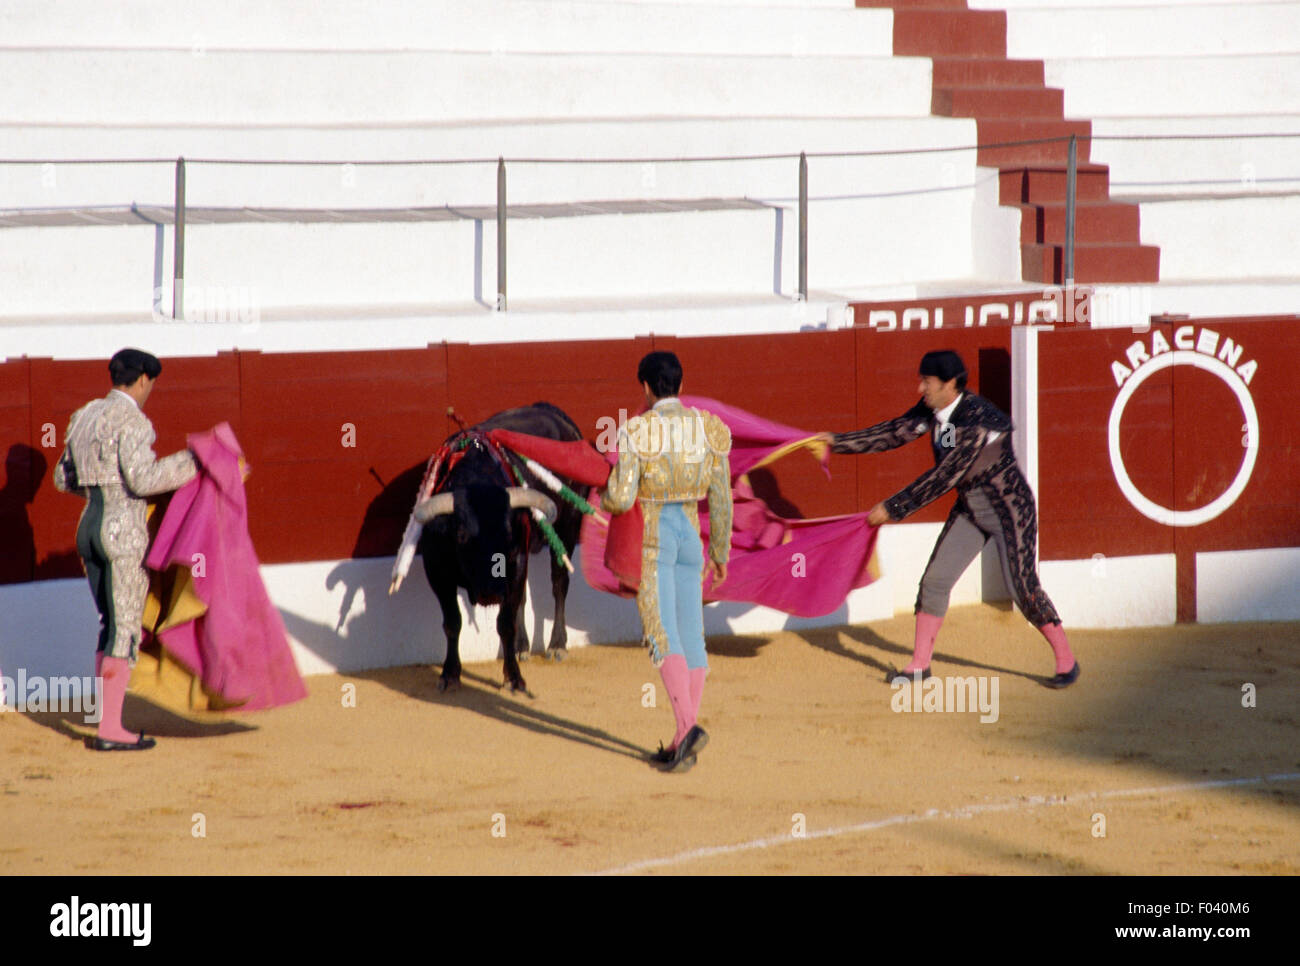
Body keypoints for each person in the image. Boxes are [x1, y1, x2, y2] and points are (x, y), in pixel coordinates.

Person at [824, 349, 1079, 687]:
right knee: (935, 581)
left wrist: (894, 507)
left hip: (1009, 508)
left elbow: (945, 476)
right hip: (972, 508)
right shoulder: (933, 411)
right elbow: (894, 433)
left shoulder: (976, 420)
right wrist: (836, 442)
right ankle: (919, 666)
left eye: (927, 382)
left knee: (1022, 588)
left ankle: (1066, 662)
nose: (920, 389)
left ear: (950, 384)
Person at [54, 348, 198, 750]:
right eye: (150, 383)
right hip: (122, 533)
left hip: (88, 527)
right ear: (141, 380)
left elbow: (61, 479)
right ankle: (110, 729)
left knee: (108, 624)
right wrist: (191, 463)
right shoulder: (133, 420)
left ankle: (107, 722)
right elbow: (142, 479)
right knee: (124, 629)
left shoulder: (84, 416)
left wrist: (100, 487)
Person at [601, 351, 733, 772]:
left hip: (656, 539)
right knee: (692, 633)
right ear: (681, 381)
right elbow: (722, 497)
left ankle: (687, 727)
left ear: (644, 387)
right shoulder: (709, 428)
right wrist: (720, 551)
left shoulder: (637, 431)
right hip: (691, 536)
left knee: (662, 635)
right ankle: (681, 739)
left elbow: (621, 497)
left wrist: (603, 496)